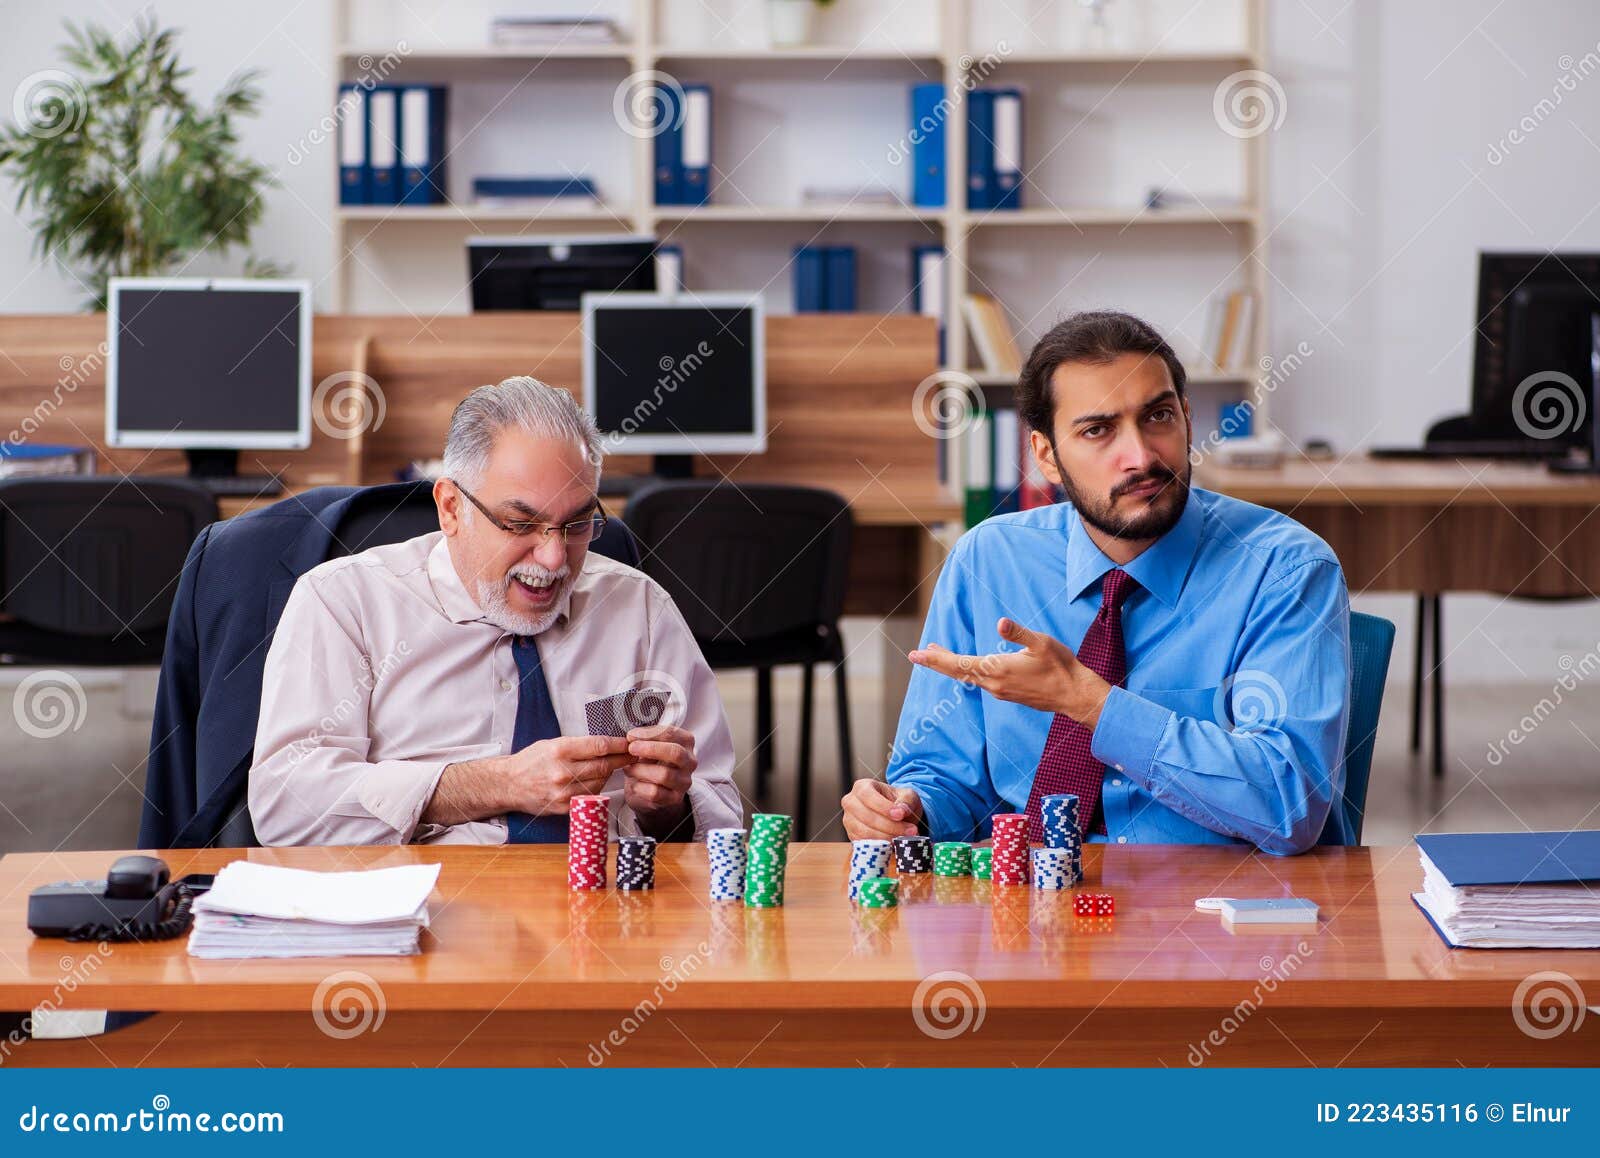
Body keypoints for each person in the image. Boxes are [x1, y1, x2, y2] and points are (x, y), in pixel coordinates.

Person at [843, 311, 1351, 854]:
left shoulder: (1285, 570)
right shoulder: (988, 561)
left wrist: (1095, 705)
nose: (1140, 456)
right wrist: (905, 810)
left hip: (1221, 911)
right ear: (1047, 457)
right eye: (1097, 430)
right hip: (1029, 909)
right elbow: (944, 778)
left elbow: (1291, 805)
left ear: (1186, 419)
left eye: (1158, 416)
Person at [250, 376, 742, 845]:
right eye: (520, 524)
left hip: (607, 909)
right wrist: (493, 784)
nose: (553, 559)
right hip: (431, 908)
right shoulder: (344, 602)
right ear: (450, 508)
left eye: (577, 524)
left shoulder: (641, 609)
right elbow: (285, 805)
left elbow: (721, 810)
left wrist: (670, 808)